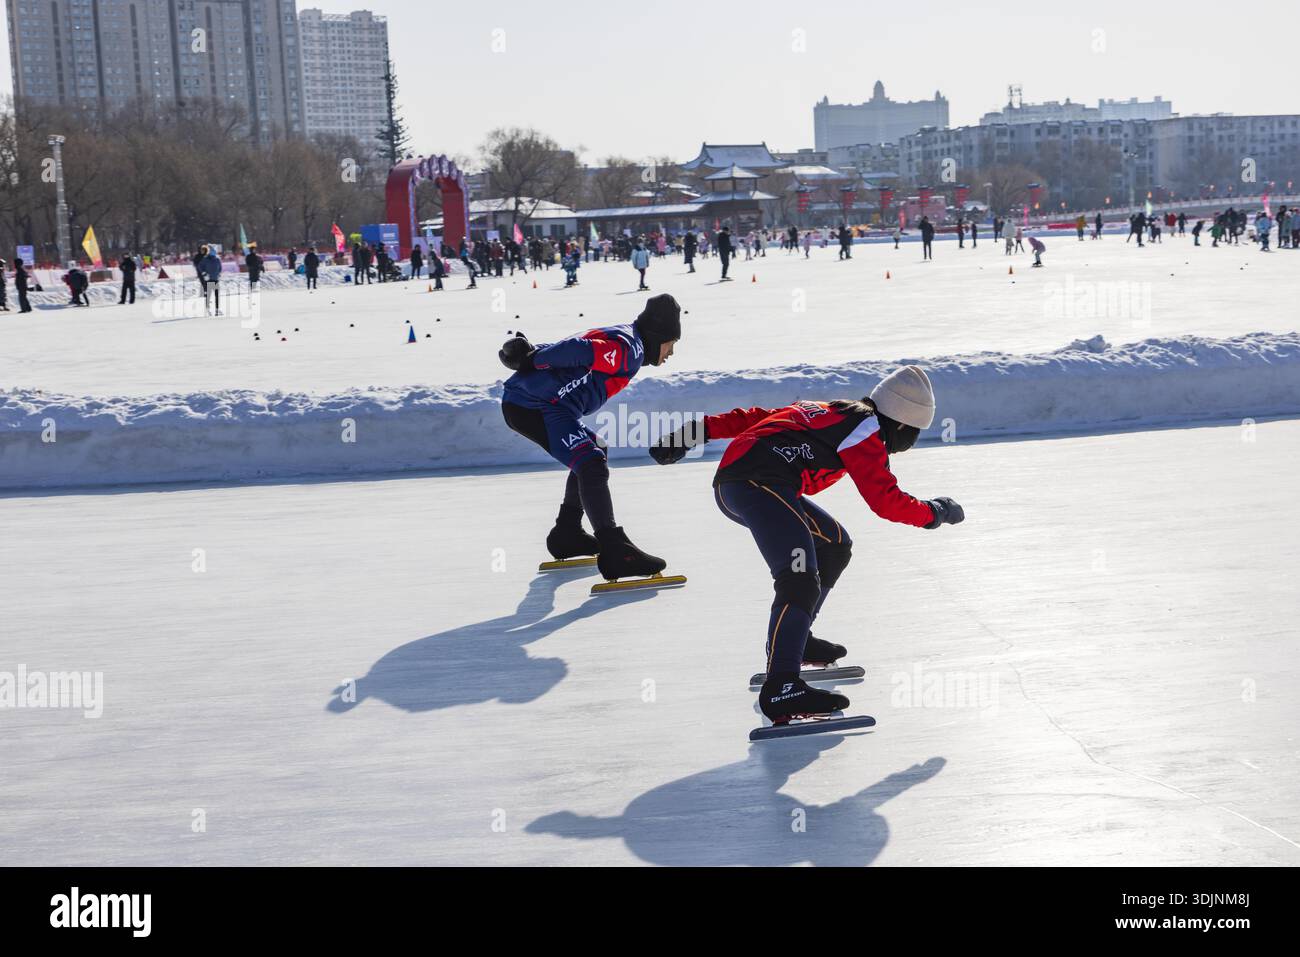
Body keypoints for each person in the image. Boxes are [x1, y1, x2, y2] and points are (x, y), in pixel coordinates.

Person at [648, 366, 963, 725]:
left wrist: (694, 432)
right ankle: (782, 687)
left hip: (750, 482)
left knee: (834, 544)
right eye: (916, 434)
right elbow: (884, 500)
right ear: (904, 426)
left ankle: (796, 640)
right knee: (797, 574)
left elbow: (757, 418)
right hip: (756, 483)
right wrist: (933, 513)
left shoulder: (830, 411)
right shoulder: (867, 433)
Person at [498, 294, 683, 581]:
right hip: (538, 405)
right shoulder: (630, 349)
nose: (671, 353)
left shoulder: (625, 335)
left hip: (531, 401)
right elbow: (580, 349)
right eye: (671, 344)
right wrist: (536, 358)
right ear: (658, 337)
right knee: (591, 463)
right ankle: (616, 551)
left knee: (595, 449)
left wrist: (533, 354)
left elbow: (575, 349)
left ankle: (567, 533)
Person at [202, 246, 222, 314]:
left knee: (216, 295)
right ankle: (208, 309)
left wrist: (219, 273)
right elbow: (200, 267)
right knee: (209, 295)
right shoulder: (206, 259)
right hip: (210, 279)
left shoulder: (217, 259)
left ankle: (216, 309)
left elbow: (220, 268)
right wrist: (204, 273)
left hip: (215, 279)